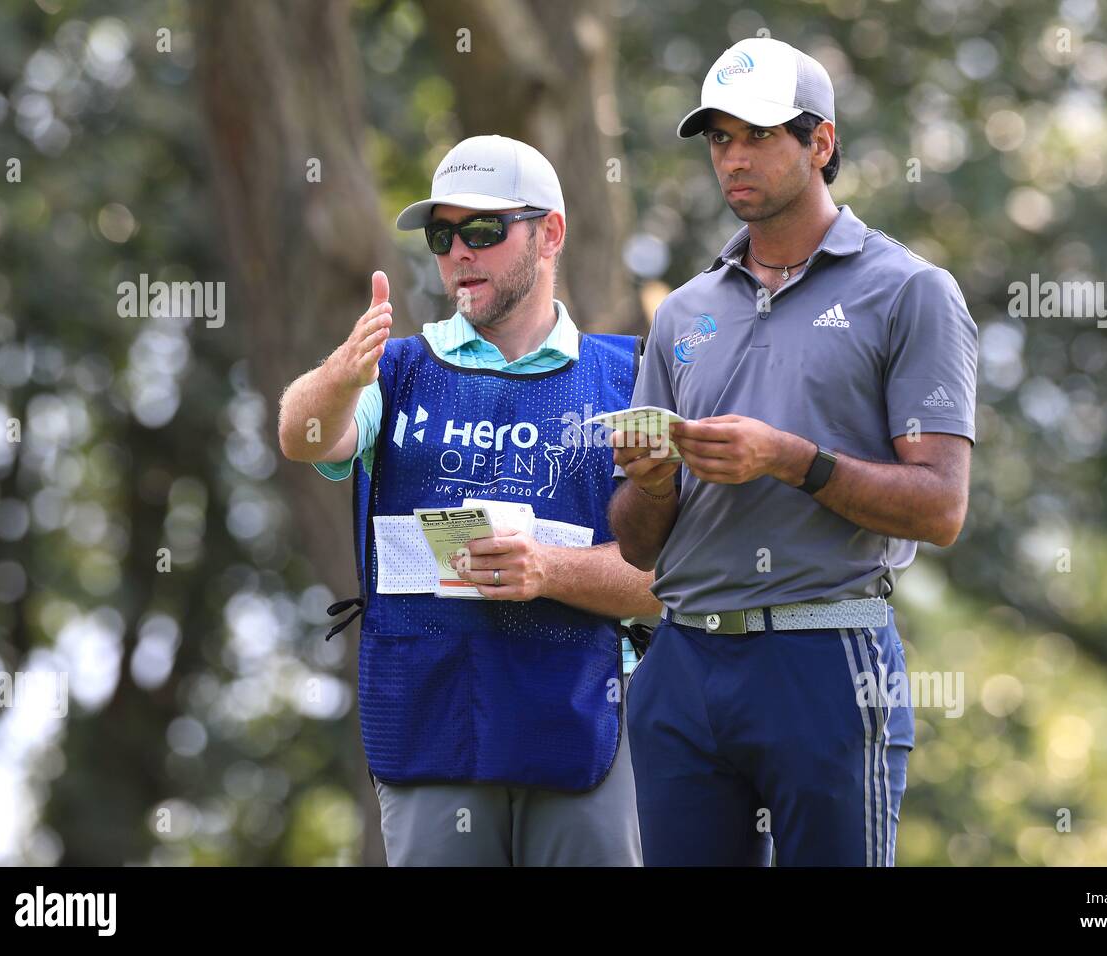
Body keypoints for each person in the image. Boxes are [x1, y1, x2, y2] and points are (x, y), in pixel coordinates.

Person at [610, 37, 978, 866]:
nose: (733, 158)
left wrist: (792, 459)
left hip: (828, 655)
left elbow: (941, 507)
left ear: (821, 142)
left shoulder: (910, 291)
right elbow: (637, 544)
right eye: (719, 139)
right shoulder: (683, 311)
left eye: (758, 135)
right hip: (682, 663)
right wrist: (655, 482)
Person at [279, 135, 658, 866]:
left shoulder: (629, 376)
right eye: (442, 234)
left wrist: (546, 571)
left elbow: (663, 584)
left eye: (483, 230)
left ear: (550, 234)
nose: (458, 252)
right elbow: (302, 434)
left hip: (584, 733)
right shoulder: (392, 369)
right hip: (426, 729)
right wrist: (341, 371)